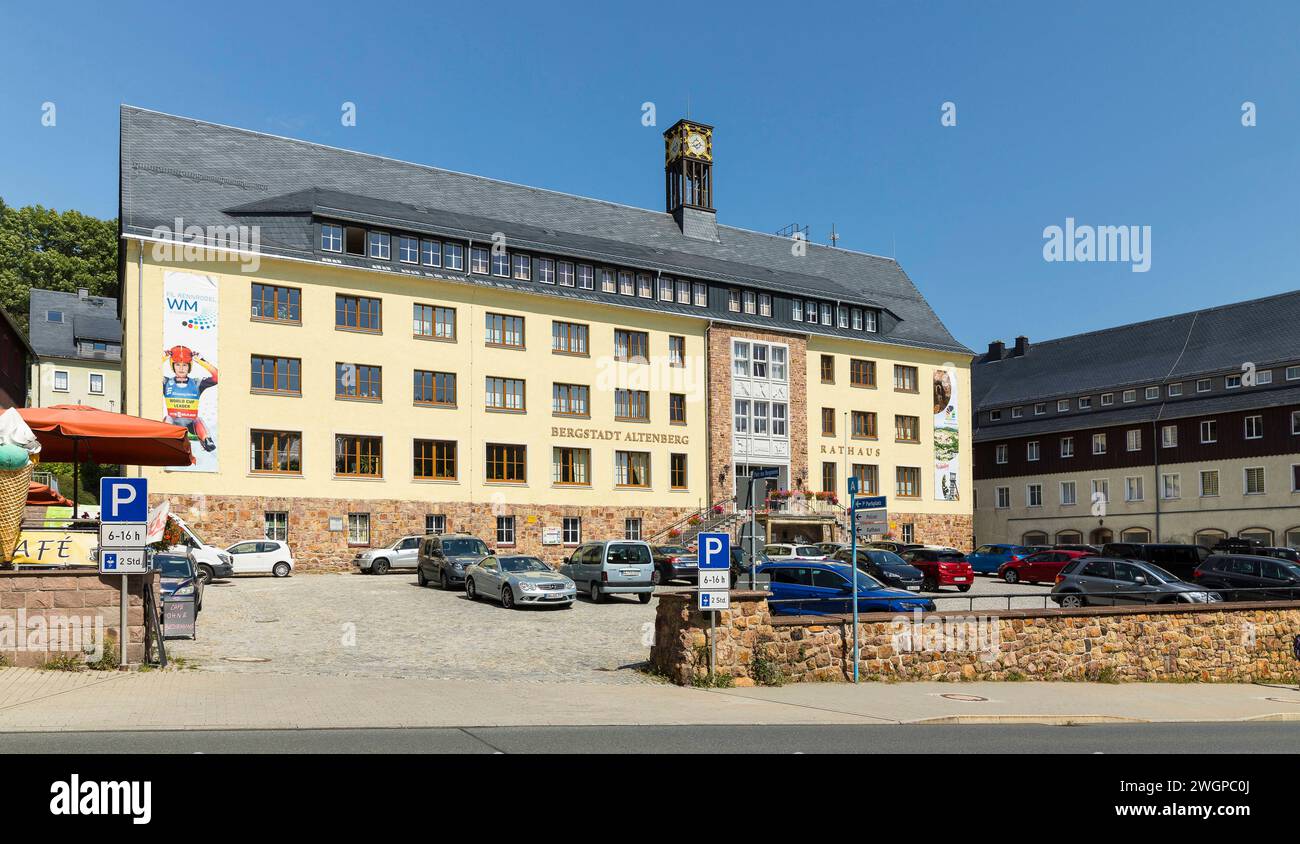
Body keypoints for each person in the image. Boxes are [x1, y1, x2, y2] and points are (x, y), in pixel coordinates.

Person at [162, 346, 218, 452]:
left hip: (191, 424)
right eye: (178, 365)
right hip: (173, 422)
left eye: (185, 365)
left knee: (198, 419)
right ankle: (165, 440)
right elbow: (148, 374)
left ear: (189, 367)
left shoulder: (196, 383)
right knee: (167, 418)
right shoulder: (166, 382)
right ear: (173, 366)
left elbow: (217, 377)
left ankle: (207, 440)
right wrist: (162, 358)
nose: (181, 368)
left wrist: (202, 361)